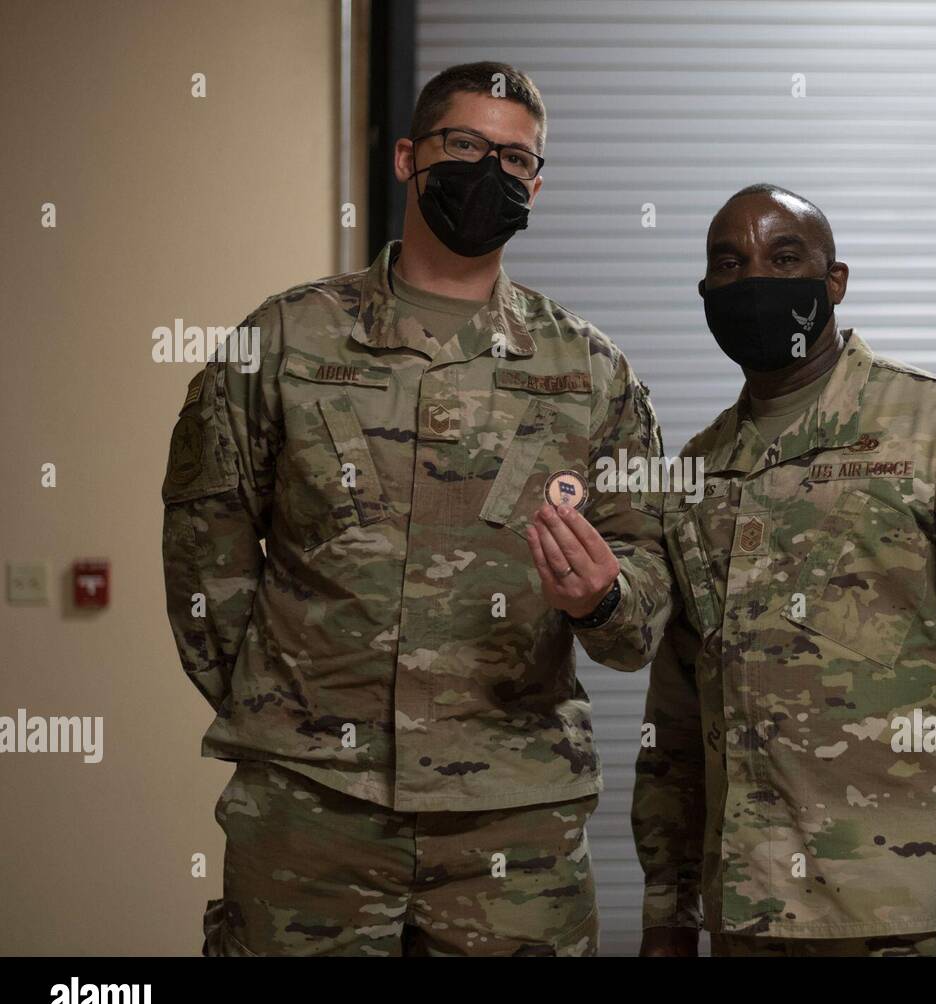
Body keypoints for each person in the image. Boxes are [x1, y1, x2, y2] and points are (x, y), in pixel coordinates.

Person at [162, 61, 671, 956]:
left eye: (515, 160)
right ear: (408, 157)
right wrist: (290, 709)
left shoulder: (591, 373)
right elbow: (206, 553)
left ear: (536, 186)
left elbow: (643, 612)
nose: (490, 171)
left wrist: (603, 599)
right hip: (312, 812)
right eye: (465, 145)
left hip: (514, 818)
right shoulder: (282, 342)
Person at [633, 184, 936, 957]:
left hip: (907, 917)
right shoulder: (699, 471)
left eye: (784, 258)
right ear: (705, 291)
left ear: (834, 282)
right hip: (745, 921)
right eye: (730, 263)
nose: (755, 279)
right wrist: (670, 907)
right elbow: (679, 714)